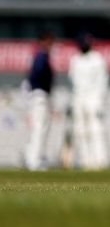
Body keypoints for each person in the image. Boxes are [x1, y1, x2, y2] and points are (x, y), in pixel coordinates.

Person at [68, 32, 109, 170]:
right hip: (79, 98)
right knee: (80, 130)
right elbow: (73, 81)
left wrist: (100, 101)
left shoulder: (97, 59)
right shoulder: (75, 60)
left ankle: (100, 160)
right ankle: (86, 161)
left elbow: (102, 81)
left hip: (94, 98)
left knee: (96, 129)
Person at [23, 31, 56, 170]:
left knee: (40, 129)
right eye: (49, 42)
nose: (51, 45)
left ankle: (34, 158)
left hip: (38, 96)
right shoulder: (42, 56)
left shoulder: (38, 56)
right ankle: (34, 161)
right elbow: (37, 74)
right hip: (40, 96)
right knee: (39, 129)